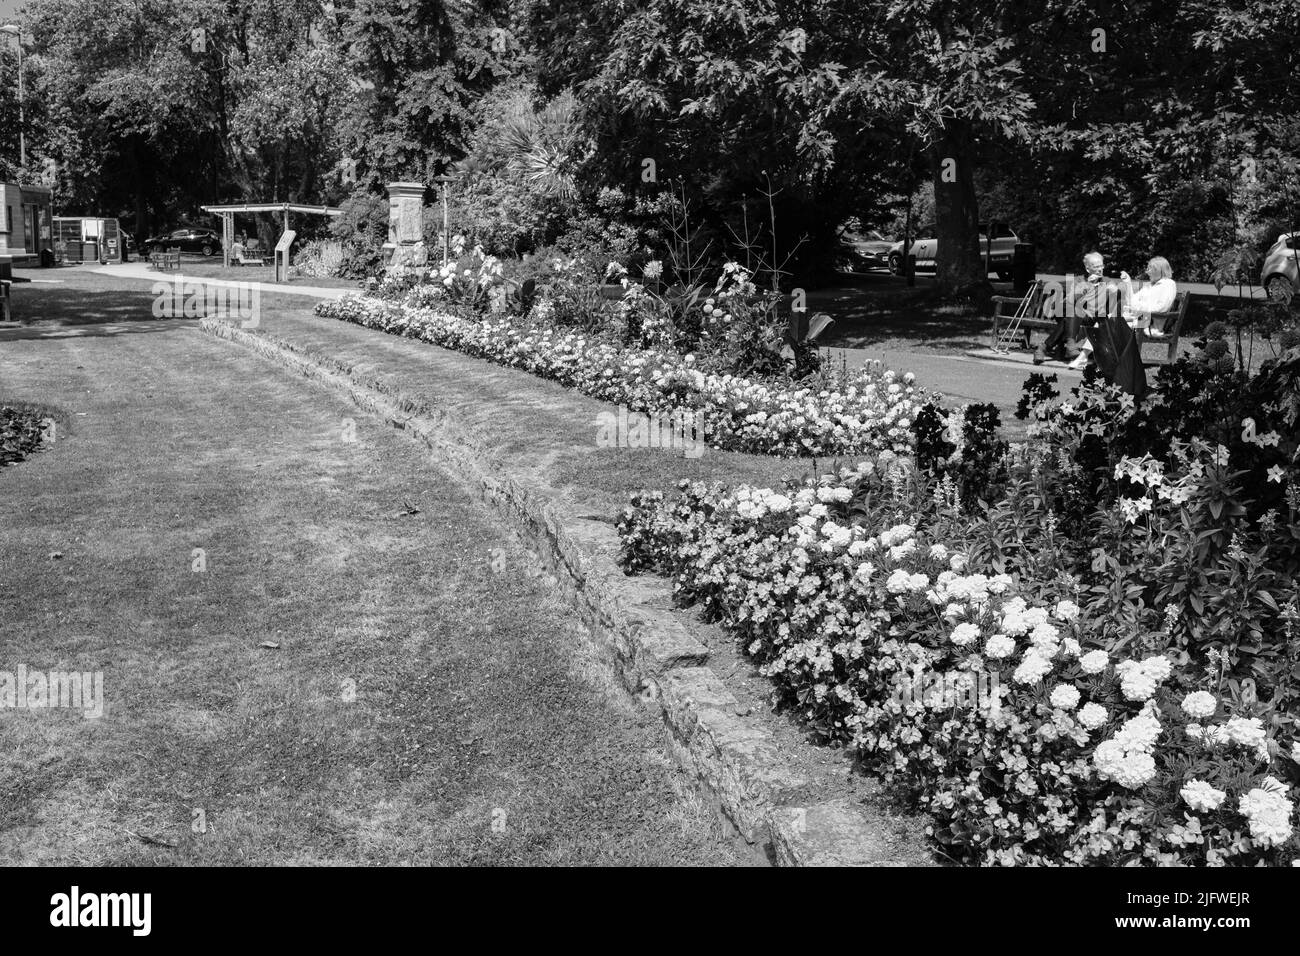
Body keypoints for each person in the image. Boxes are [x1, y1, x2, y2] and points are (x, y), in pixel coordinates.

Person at [1068, 256, 1177, 370]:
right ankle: (1086, 357)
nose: (1147, 272)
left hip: (1150, 325)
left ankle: (1097, 359)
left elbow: (1162, 307)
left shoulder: (1168, 285)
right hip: (1140, 319)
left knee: (1109, 323)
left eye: (1150, 269)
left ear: (1159, 270)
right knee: (1105, 320)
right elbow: (1132, 301)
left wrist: (1139, 309)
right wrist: (1128, 283)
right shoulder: (1150, 285)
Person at [1033, 251, 1110, 364]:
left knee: (1068, 318)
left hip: (1089, 318)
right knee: (1074, 310)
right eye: (1096, 266)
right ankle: (1070, 346)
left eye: (1101, 266)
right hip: (1070, 313)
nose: (1100, 269)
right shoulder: (1079, 280)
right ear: (1088, 269)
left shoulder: (1106, 283)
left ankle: (1044, 347)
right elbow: (1070, 300)